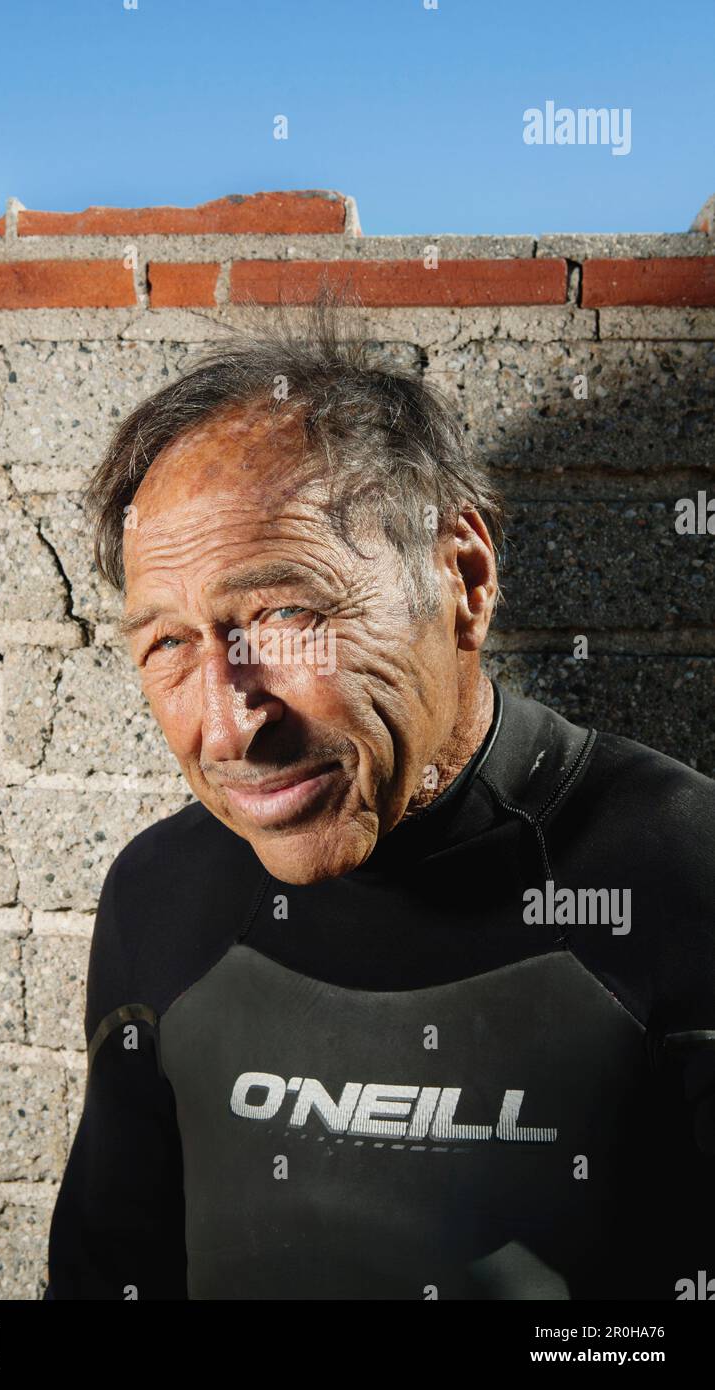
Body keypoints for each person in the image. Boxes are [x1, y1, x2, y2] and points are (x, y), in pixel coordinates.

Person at [45, 302, 714, 1301]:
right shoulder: (160, 893)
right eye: (169, 645)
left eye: (284, 614)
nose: (227, 729)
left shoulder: (683, 874)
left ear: (463, 577)